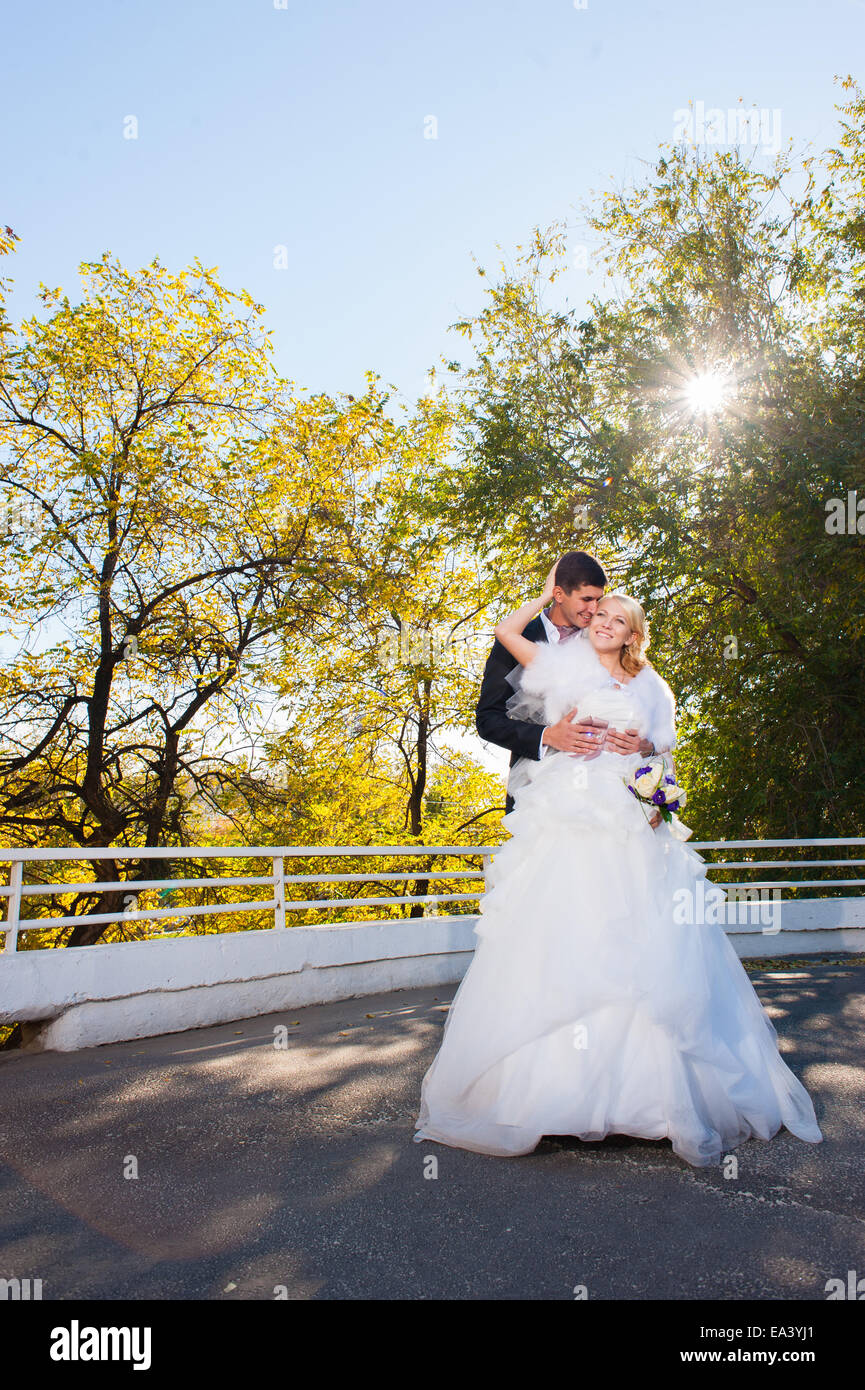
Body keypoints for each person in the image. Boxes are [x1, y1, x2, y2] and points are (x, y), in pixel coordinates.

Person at [414, 565, 823, 1168]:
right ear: (569, 601)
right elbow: (502, 656)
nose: (598, 619)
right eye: (592, 609)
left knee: (642, 932)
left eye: (611, 615)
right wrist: (546, 593)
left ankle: (655, 1098)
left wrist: (651, 768)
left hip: (629, 811)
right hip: (567, 806)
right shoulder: (569, 662)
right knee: (564, 927)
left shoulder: (652, 686)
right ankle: (552, 1096)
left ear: (631, 633)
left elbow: (664, 750)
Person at [475, 550, 658, 812]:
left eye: (598, 599)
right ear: (559, 595)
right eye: (586, 599)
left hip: (613, 792)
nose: (595, 609)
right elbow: (488, 719)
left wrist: (648, 749)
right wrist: (547, 735)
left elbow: (639, 706)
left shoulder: (605, 635)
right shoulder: (517, 640)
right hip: (536, 793)